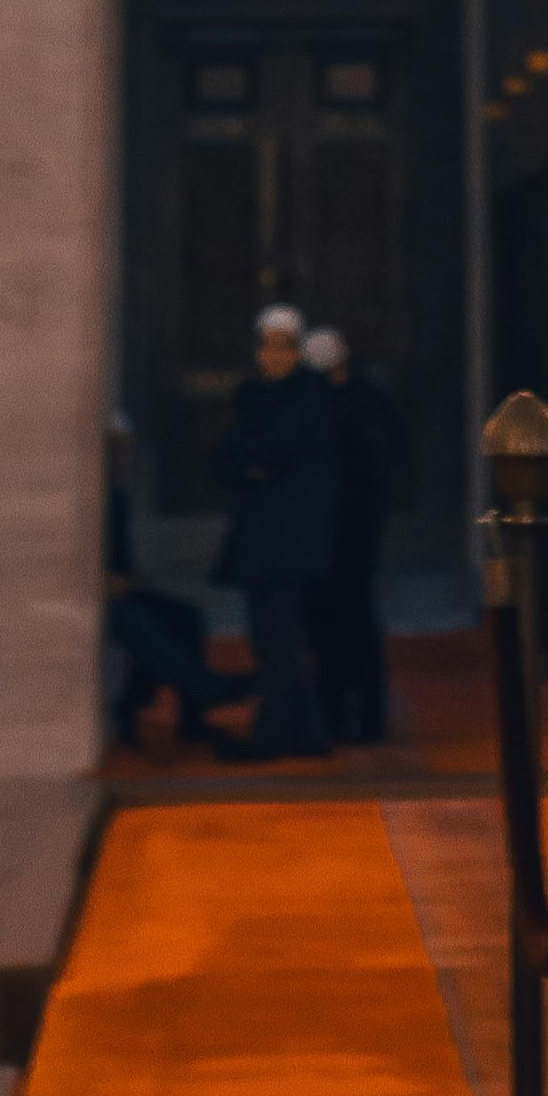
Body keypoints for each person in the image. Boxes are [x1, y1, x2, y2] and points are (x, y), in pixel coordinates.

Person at [213, 300, 343, 760]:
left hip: (289, 538)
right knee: (273, 634)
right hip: (268, 535)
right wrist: (253, 463)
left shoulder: (308, 397)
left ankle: (273, 735)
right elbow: (228, 458)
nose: (275, 357)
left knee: (278, 637)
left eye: (284, 348)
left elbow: (271, 450)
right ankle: (307, 733)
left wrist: (253, 461)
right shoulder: (259, 395)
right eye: (268, 348)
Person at [102, 410, 239, 756]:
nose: (123, 460)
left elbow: (122, 565)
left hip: (119, 589)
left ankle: (192, 713)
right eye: (117, 452)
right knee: (137, 625)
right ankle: (210, 691)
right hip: (101, 597)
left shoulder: (117, 497)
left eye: (125, 451)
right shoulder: (96, 500)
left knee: (184, 616)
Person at [305, 324, 397, 751]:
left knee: (349, 624)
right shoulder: (357, 401)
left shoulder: (353, 405)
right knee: (336, 625)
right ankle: (346, 713)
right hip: (337, 529)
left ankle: (361, 714)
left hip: (350, 531)